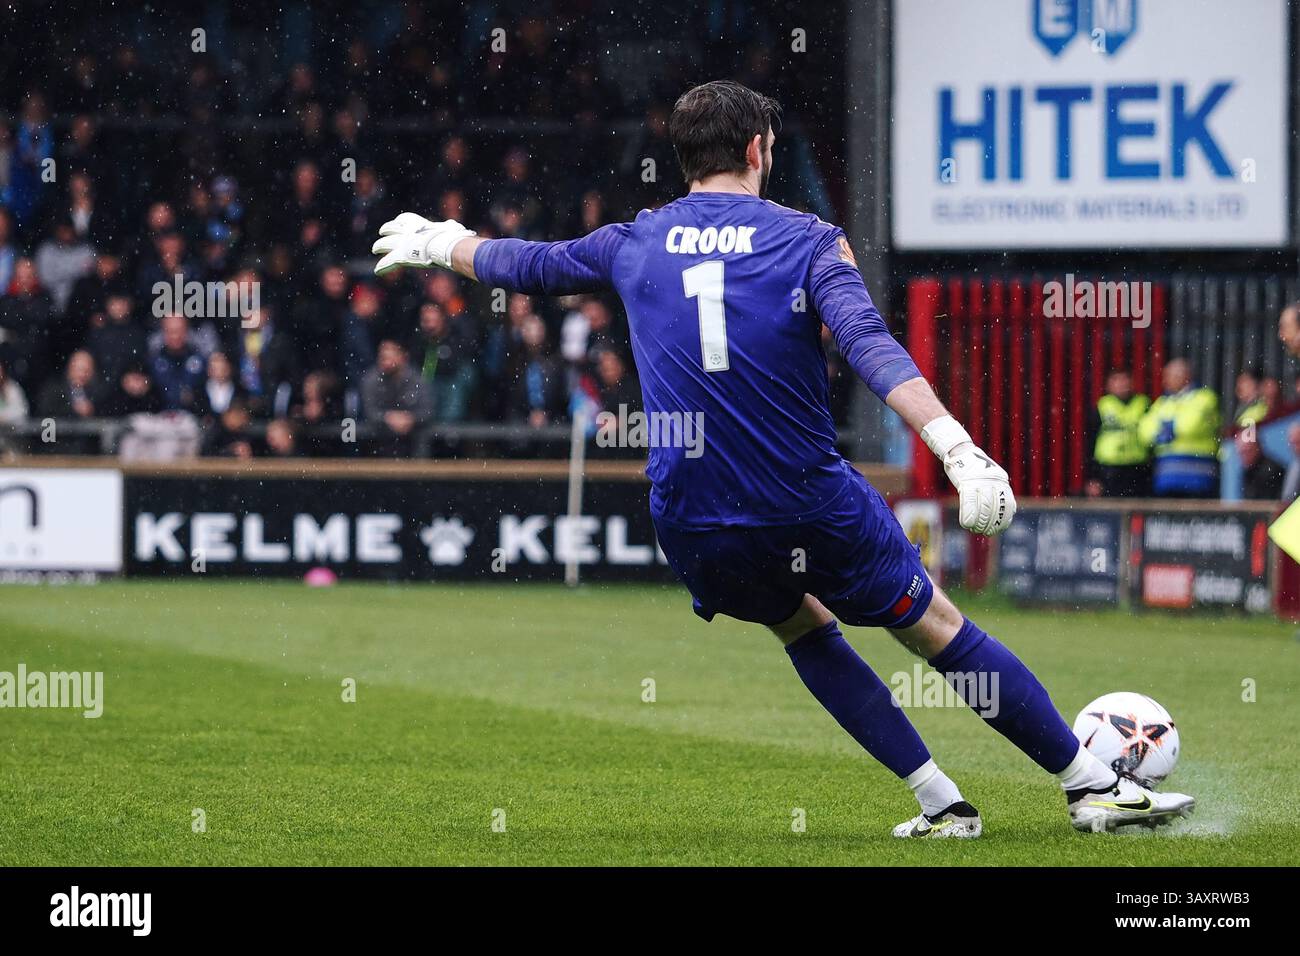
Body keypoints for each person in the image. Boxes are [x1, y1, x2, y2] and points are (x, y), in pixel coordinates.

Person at [372, 80, 1193, 836]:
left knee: (802, 628)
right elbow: (867, 343)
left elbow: (529, 264)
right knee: (935, 628)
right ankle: (1092, 786)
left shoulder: (635, 242)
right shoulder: (807, 239)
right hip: (806, 499)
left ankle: (941, 803)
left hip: (693, 516)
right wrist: (954, 446)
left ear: (686, 157)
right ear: (759, 150)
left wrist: (442, 241)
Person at [1138, 359, 1221, 498]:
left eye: (1169, 376)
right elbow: (1144, 432)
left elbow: (1191, 426)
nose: (1165, 381)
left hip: (1199, 475)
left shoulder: (1204, 397)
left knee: (1197, 518)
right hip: (1166, 477)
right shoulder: (1162, 402)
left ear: (1185, 376)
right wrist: (1171, 428)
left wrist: (1164, 429)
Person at [1085, 368, 1150, 497]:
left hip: (1138, 467)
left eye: (1124, 380)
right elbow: (1090, 441)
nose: (1121, 384)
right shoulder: (1102, 406)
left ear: (1132, 382)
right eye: (1116, 380)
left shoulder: (1144, 403)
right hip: (1108, 468)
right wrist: (1092, 477)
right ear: (1108, 385)